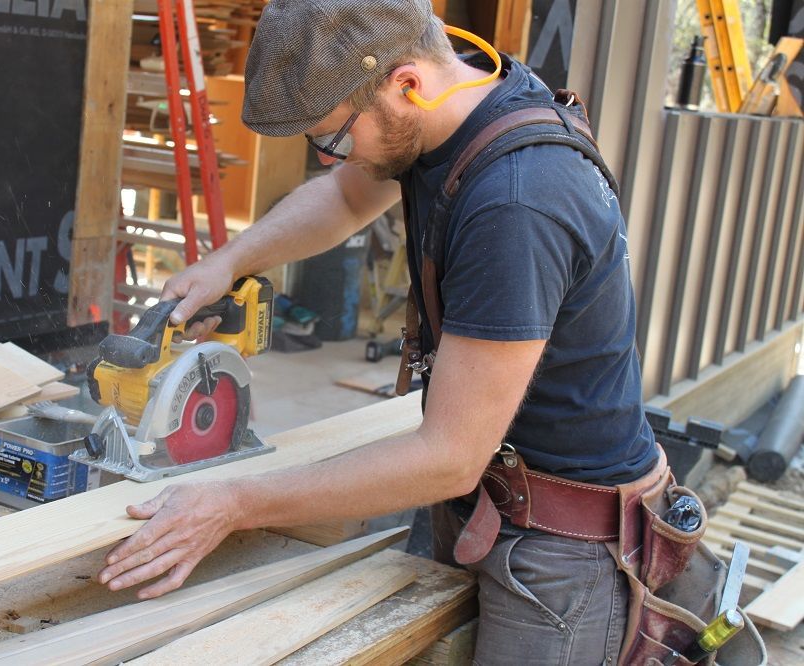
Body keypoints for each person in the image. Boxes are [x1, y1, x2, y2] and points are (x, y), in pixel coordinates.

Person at [98, 1, 661, 662]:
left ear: (405, 84)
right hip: (497, 497)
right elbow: (346, 196)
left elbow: (449, 456)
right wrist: (229, 262)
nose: (331, 155)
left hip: (562, 555)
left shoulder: (517, 202)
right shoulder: (463, 93)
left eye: (334, 137)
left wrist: (233, 503)